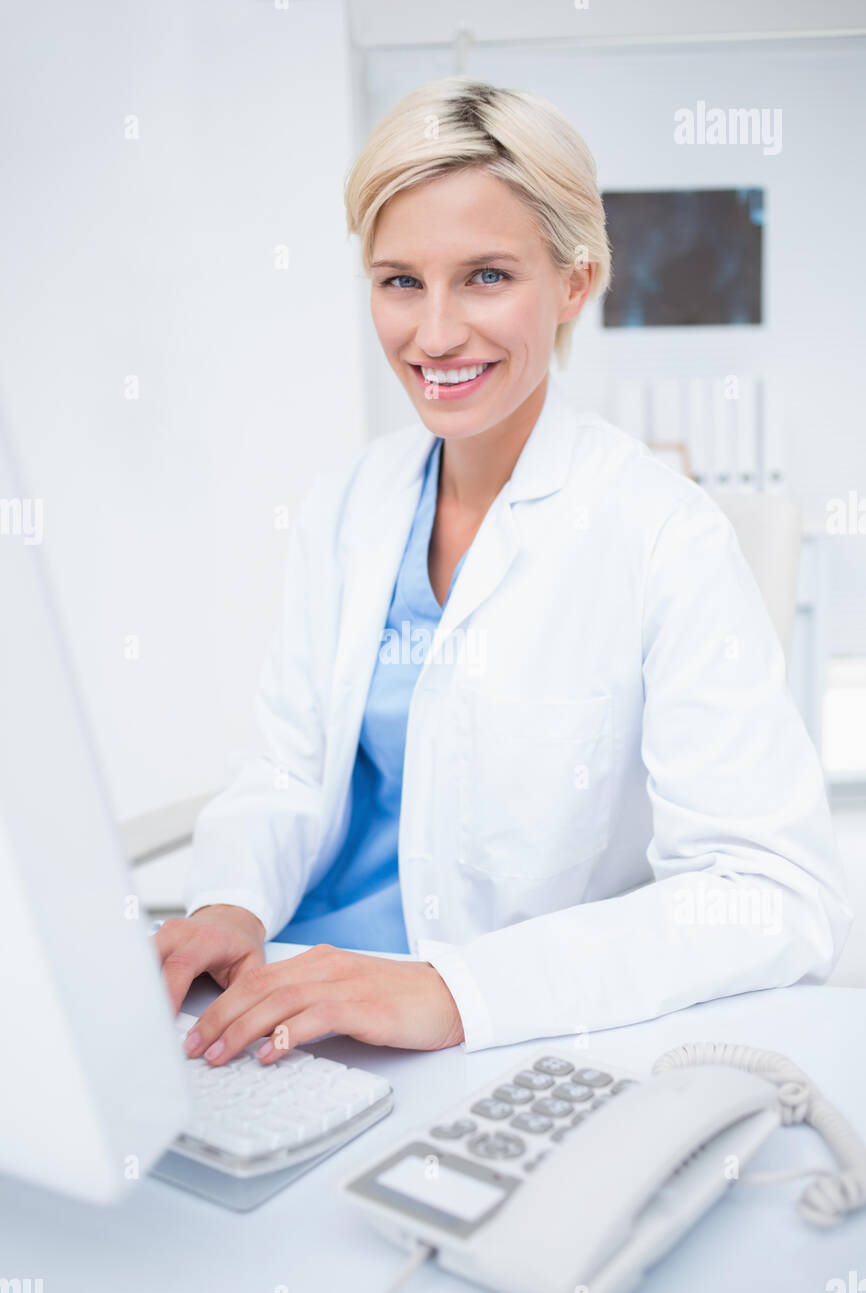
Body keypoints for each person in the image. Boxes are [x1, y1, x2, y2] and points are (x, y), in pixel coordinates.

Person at [157, 76, 853, 1063]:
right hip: (288, 1001)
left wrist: (454, 988)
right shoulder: (347, 508)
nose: (433, 333)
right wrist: (230, 904)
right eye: (400, 280)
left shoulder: (661, 535)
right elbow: (286, 767)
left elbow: (773, 897)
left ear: (573, 281)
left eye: (484, 276)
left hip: (485, 1036)